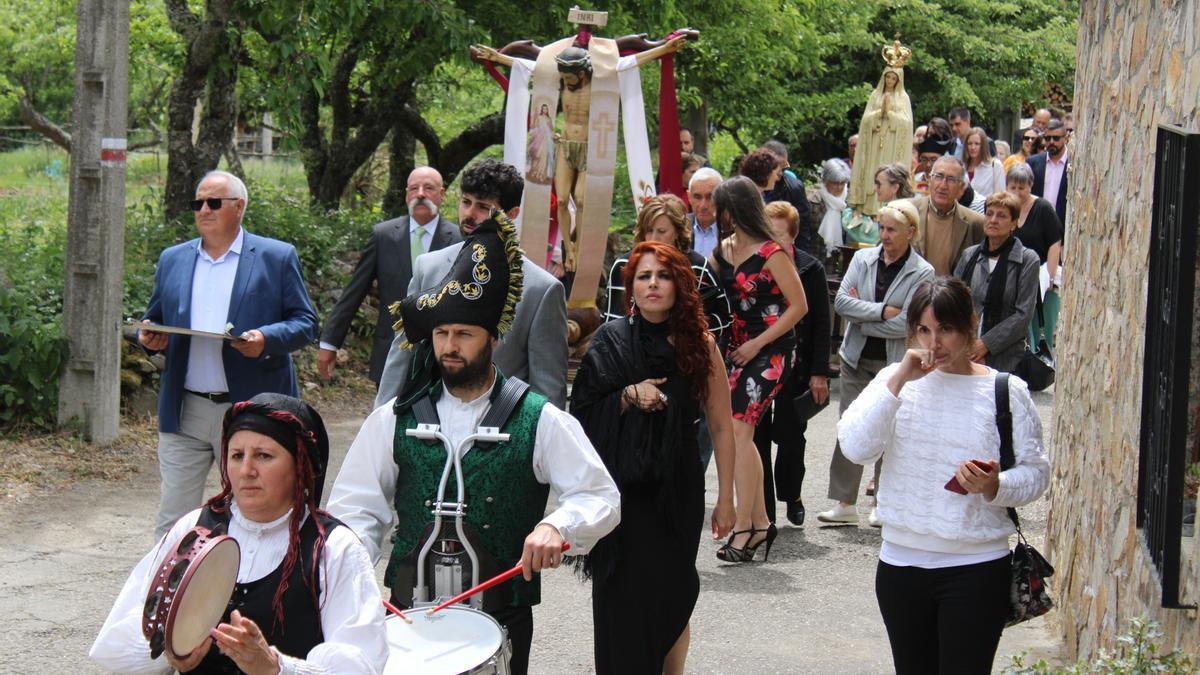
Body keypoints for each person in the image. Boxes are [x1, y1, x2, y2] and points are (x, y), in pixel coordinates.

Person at [327, 213, 620, 675]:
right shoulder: (395, 419)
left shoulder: (538, 418)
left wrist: (558, 526)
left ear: (494, 339)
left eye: (464, 334)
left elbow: (600, 495)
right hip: (405, 621)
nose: (450, 346)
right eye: (442, 334)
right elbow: (354, 510)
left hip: (500, 622)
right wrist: (356, 570)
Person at [837, 276, 1050, 675]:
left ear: (971, 325)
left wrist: (995, 485)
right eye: (923, 330)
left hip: (977, 566)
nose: (934, 344)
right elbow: (855, 447)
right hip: (901, 566)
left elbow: (1037, 474)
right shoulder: (893, 382)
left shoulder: (1006, 391)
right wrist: (898, 379)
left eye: (946, 329)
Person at [91, 394, 388, 673]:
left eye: (263, 456)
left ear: (301, 467)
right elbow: (121, 638)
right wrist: (170, 651)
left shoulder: (333, 548)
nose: (246, 470)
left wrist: (277, 668)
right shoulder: (195, 528)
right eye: (236, 455)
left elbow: (361, 664)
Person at [572, 241, 736, 674]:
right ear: (631, 287)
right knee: (621, 593)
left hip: (677, 486)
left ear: (680, 284)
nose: (653, 285)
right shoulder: (610, 339)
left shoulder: (700, 345)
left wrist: (727, 498)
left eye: (663, 276)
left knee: (674, 594)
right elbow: (582, 412)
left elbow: (721, 424)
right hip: (622, 490)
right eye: (643, 276)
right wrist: (627, 395)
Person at [138, 170, 320, 541]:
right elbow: (155, 317)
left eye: (214, 202)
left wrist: (265, 338)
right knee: (174, 519)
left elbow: (306, 323)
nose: (203, 210)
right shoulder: (173, 259)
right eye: (198, 203)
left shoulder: (276, 256)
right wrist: (149, 336)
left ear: (240, 207)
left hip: (249, 409)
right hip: (185, 408)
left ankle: (255, 591)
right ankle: (168, 595)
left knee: (255, 512)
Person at [374, 159, 569, 409]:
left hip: (503, 431)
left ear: (511, 214)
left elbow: (548, 390)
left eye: (483, 207)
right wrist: (379, 422)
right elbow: (401, 356)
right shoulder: (429, 268)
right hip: (429, 425)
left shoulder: (540, 289)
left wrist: (540, 442)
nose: (469, 214)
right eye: (466, 202)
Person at [709, 176, 808, 562]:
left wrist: (758, 343)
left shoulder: (773, 253)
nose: (719, 216)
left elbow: (799, 306)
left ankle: (746, 527)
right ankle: (761, 522)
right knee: (738, 433)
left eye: (723, 209)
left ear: (736, 209)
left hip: (772, 350)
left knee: (737, 429)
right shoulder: (723, 249)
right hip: (735, 350)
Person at [818, 200, 933, 526]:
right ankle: (844, 502)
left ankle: (883, 502)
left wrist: (862, 313)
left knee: (891, 430)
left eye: (891, 229)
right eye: (881, 228)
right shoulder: (862, 258)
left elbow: (909, 322)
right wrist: (882, 312)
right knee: (850, 426)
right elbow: (841, 303)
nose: (884, 235)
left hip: (895, 362)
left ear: (910, 232)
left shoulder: (922, 271)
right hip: (856, 357)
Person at [318, 166, 460, 384]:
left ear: (442, 194)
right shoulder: (383, 236)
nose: (420, 193)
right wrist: (330, 343)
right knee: (388, 417)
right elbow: (354, 293)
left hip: (443, 355)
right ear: (406, 195)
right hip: (390, 351)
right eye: (414, 188)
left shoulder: (459, 240)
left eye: (428, 188)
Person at [756, 201, 834, 526]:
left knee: (790, 435)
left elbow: (820, 324)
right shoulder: (755, 267)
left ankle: (792, 493)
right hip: (759, 366)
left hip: (795, 365)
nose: (772, 244)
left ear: (793, 235)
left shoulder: (810, 268)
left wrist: (819, 372)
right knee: (757, 436)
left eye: (779, 235)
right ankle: (763, 511)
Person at [604, 193, 728, 340]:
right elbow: (611, 321)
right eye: (649, 231)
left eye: (662, 231)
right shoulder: (624, 265)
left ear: (677, 231)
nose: (654, 238)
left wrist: (688, 334)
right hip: (631, 353)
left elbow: (724, 320)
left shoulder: (696, 267)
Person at [953, 192, 1040, 373]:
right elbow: (953, 301)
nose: (993, 220)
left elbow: (1023, 314)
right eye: (989, 213)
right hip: (965, 351)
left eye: (1001, 216)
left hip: (1006, 358)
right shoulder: (970, 255)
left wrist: (986, 344)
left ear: (1014, 223)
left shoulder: (1027, 260)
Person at [1006, 163, 1063, 350]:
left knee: (1041, 331)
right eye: (1012, 187)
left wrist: (1050, 276)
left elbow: (1055, 242)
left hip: (1042, 278)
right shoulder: (1006, 208)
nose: (1017, 192)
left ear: (1030, 186)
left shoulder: (1043, 208)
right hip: (1015, 278)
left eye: (1021, 188)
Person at [848, 66, 913, 217]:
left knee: (888, 173)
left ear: (898, 80)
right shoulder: (875, 95)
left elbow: (907, 124)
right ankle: (866, 208)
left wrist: (890, 114)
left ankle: (885, 208)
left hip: (892, 143)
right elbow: (865, 120)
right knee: (871, 170)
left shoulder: (903, 98)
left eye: (893, 78)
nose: (890, 81)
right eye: (888, 77)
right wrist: (879, 113)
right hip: (874, 142)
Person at [911, 155, 985, 276]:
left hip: (953, 293)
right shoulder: (909, 211)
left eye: (951, 179)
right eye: (939, 176)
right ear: (930, 180)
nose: (943, 185)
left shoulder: (976, 223)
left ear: (961, 187)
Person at [843, 162, 915, 246]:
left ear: (895, 188)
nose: (875, 189)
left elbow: (875, 239)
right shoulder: (889, 208)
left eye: (879, 184)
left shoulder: (902, 213)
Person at [761, 141, 813, 252]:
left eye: (783, 168)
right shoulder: (747, 186)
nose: (779, 173)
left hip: (782, 251)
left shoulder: (794, 188)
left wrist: (804, 264)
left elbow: (802, 230)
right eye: (775, 167)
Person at [1026, 118, 1070, 223]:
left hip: (1063, 224)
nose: (1051, 142)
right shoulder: (1033, 163)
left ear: (1065, 138)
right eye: (1047, 138)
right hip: (1037, 224)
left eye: (1056, 138)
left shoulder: (1074, 163)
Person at [813, 158, 852, 255]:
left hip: (842, 260)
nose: (839, 187)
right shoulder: (813, 200)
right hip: (815, 257)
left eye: (842, 183)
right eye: (835, 183)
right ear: (825, 181)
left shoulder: (850, 202)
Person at [689, 167, 724, 259]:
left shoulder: (732, 230)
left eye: (710, 197)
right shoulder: (680, 226)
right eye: (697, 197)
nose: (703, 205)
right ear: (689, 197)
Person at [965, 127, 1005, 198]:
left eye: (977, 144)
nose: (973, 147)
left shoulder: (995, 165)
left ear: (983, 145)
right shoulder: (962, 166)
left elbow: (1000, 195)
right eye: (970, 143)